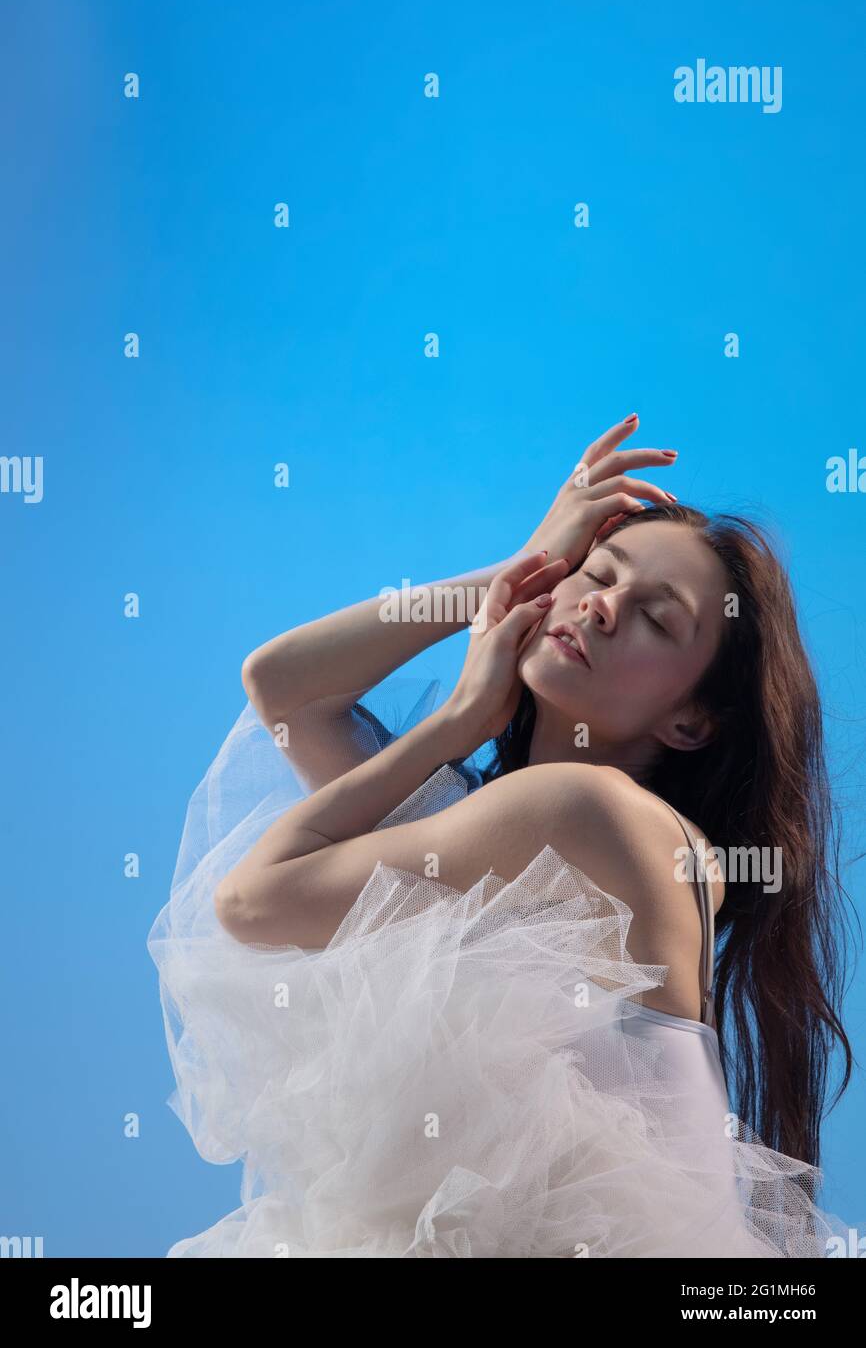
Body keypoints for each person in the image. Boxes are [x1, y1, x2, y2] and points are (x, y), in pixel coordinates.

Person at [148, 413, 856, 1258]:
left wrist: (454, 722)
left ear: (694, 722)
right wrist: (525, 567)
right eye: (596, 573)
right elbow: (285, 691)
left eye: (656, 620)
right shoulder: (489, 818)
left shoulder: (589, 813)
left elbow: (250, 902)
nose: (599, 606)